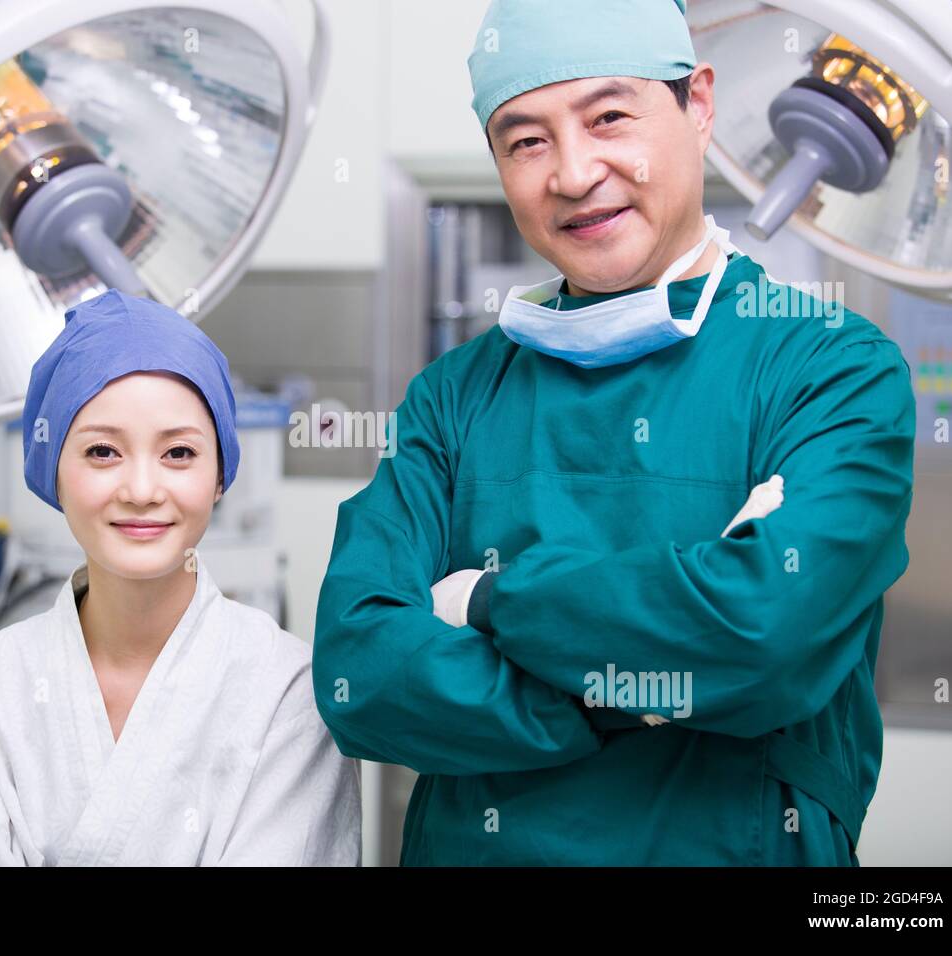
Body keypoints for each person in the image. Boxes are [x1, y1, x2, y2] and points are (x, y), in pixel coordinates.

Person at [312, 0, 914, 865]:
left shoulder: (830, 371)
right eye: (526, 141)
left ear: (698, 107)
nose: (572, 173)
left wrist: (485, 603)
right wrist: (648, 692)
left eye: (609, 117)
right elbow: (358, 673)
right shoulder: (453, 398)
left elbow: (765, 635)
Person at [0, 290, 361, 866]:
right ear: (53, 473)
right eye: (104, 452)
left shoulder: (286, 694)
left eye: (179, 453)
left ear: (220, 474)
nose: (141, 490)